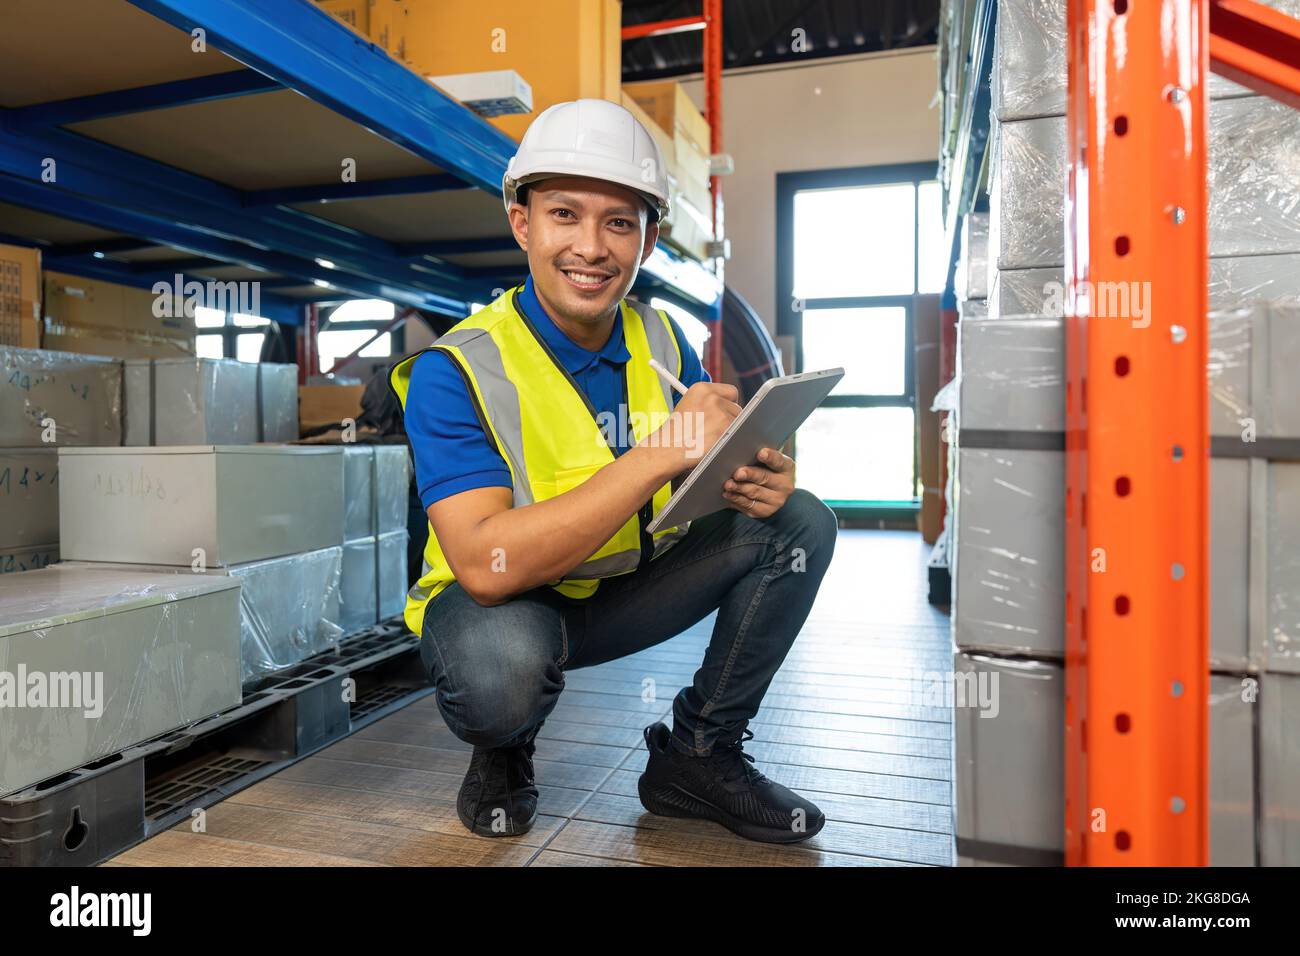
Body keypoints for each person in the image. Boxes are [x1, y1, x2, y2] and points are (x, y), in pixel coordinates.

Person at [389, 99, 837, 844]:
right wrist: (661, 450)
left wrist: (752, 481)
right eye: (565, 214)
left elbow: (702, 472)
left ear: (648, 239)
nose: (591, 248)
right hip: (500, 610)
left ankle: (697, 756)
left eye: (619, 222)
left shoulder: (662, 339)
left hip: (621, 586)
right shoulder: (456, 369)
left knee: (798, 524)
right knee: (503, 673)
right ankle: (504, 751)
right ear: (522, 222)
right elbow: (484, 565)